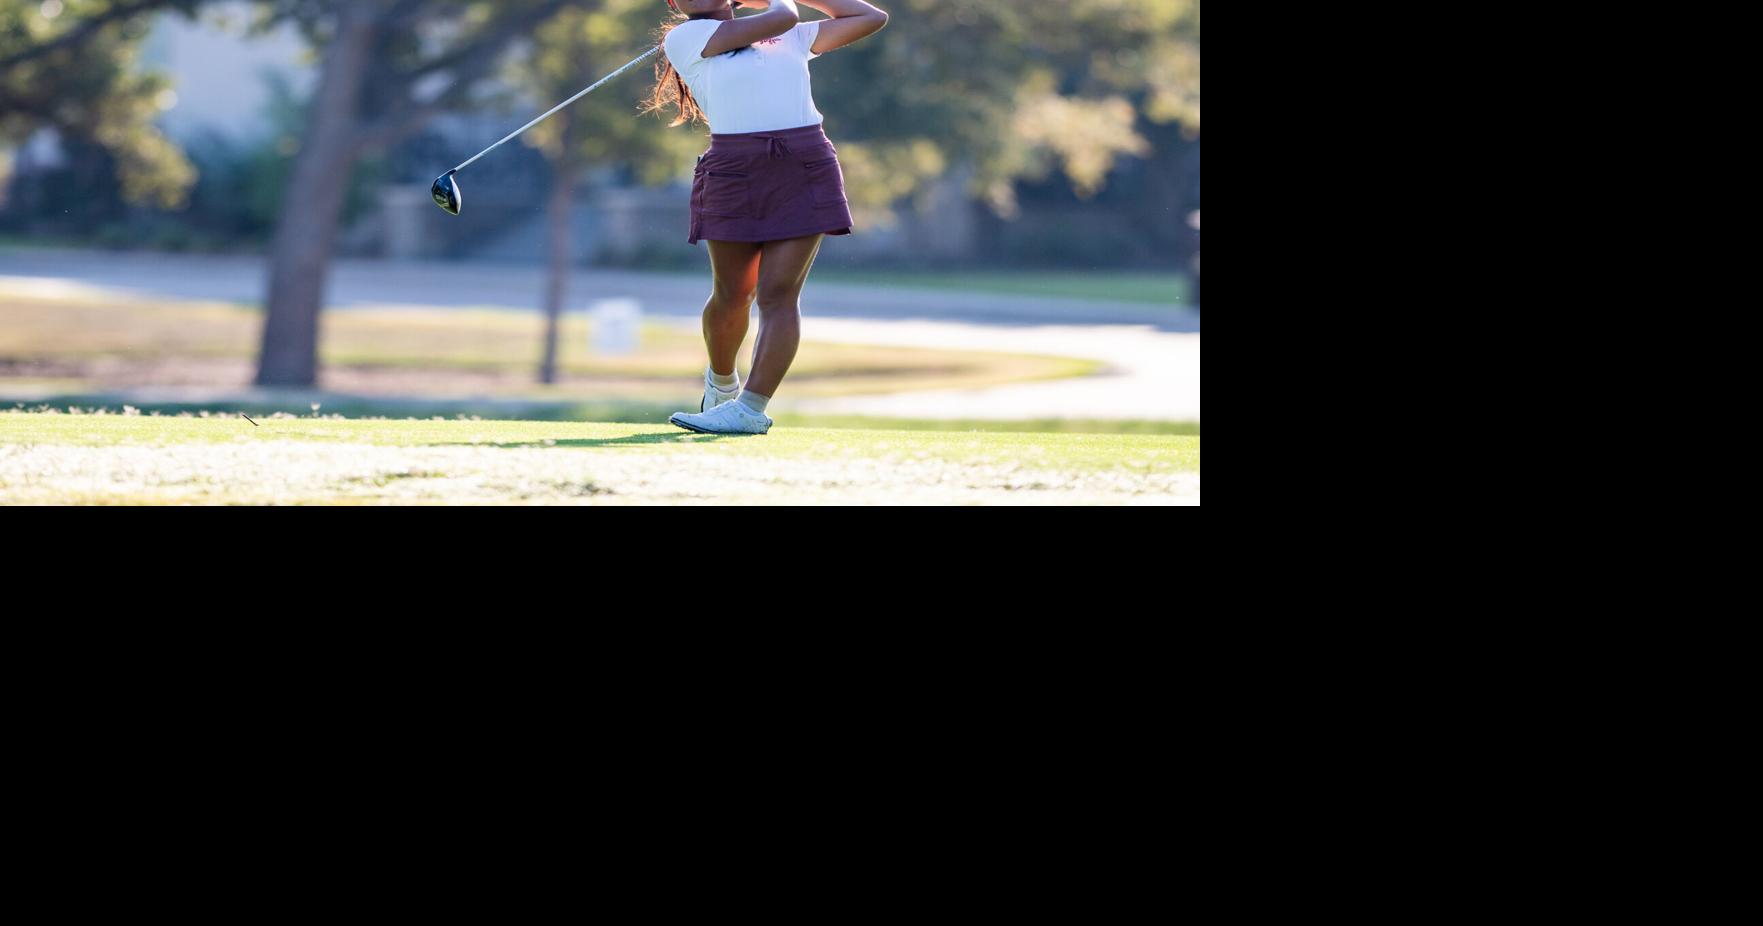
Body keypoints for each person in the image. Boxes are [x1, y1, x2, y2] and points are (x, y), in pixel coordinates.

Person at [641, 0, 889, 434]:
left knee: (778, 294)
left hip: (804, 163)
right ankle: (721, 385)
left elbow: (871, 17)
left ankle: (750, 410)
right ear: (674, 4)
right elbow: (783, 15)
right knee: (733, 293)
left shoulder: (789, 34)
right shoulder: (685, 37)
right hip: (734, 169)